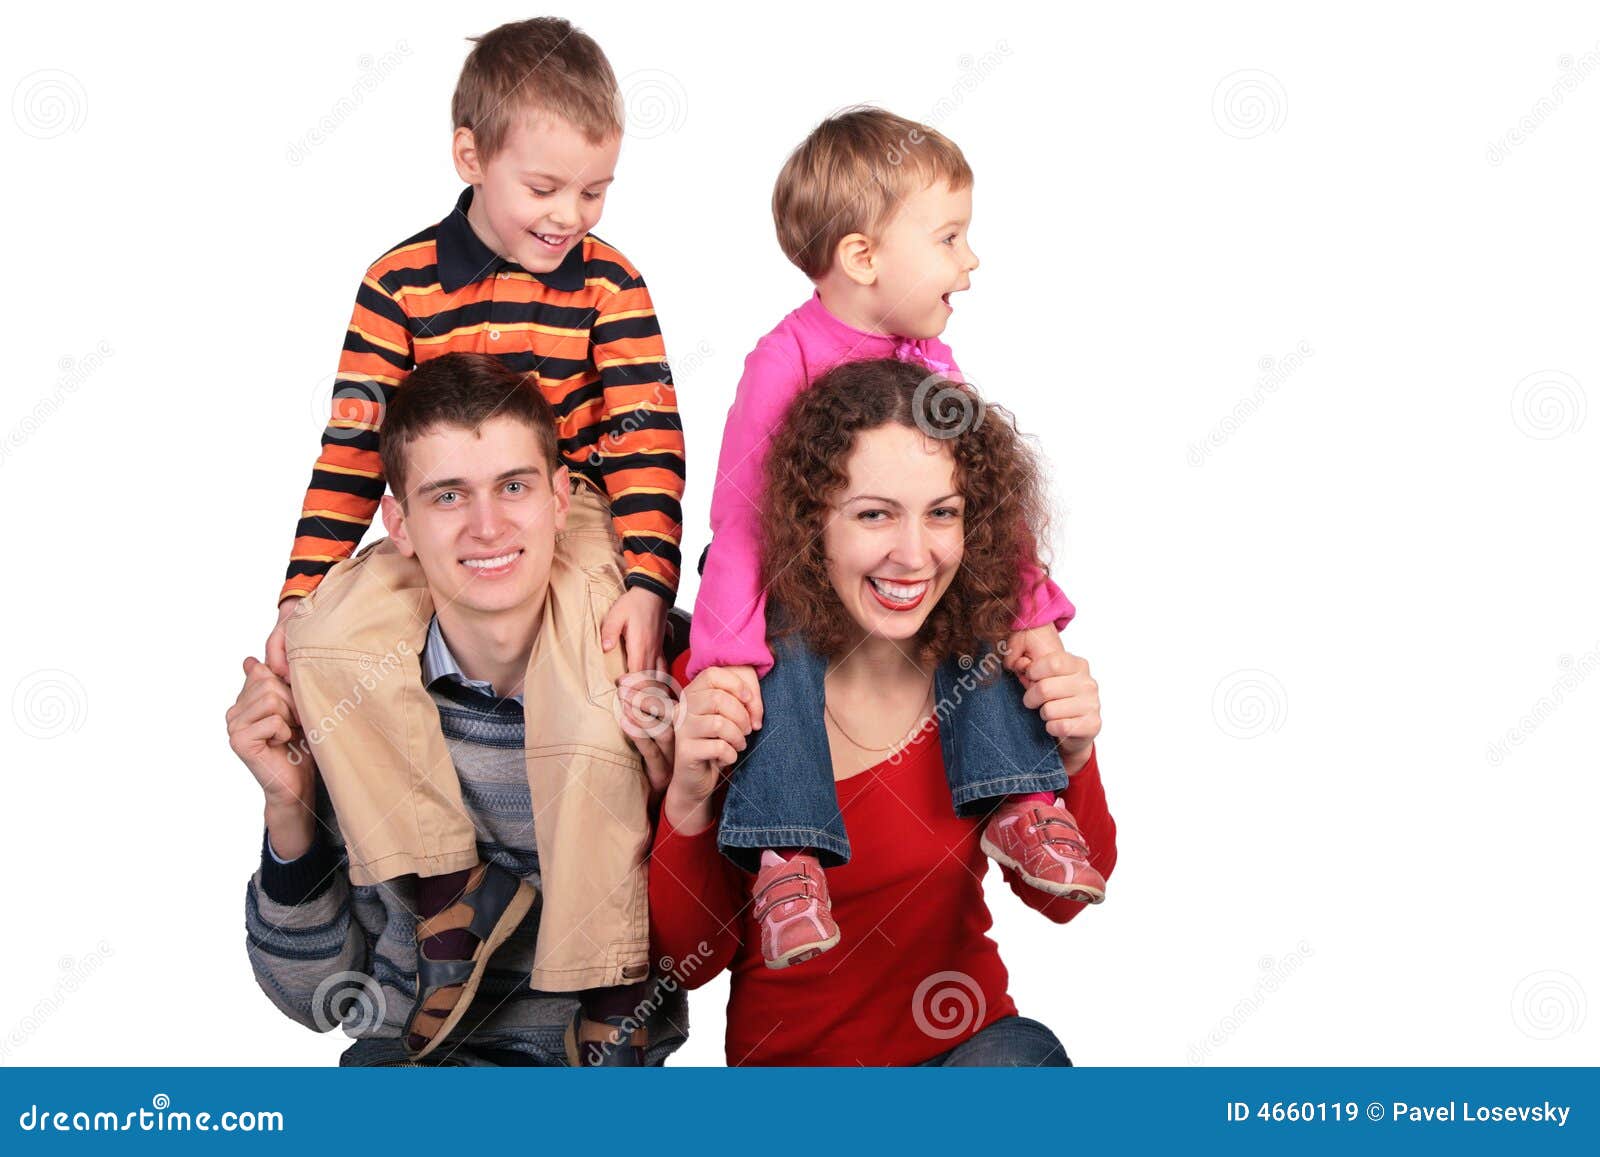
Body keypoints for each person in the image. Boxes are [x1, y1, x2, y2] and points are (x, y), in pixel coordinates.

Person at [261, 17, 687, 1054]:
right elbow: (353, 450)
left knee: (591, 686)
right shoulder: (399, 282)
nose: (569, 215)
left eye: (595, 191)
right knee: (324, 642)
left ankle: (608, 966)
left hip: (571, 514)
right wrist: (300, 593)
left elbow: (646, 442)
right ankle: (448, 883)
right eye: (545, 188)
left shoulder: (609, 283)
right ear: (469, 156)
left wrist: (644, 578)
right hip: (444, 512)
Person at [688, 108, 1102, 969]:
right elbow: (741, 518)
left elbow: (986, 509)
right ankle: (787, 853)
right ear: (863, 256)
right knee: (782, 649)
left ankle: (1022, 801)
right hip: (789, 577)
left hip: (892, 588)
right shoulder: (784, 359)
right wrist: (724, 654)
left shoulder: (930, 363)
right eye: (948, 238)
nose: (969, 261)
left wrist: (1030, 615)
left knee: (970, 607)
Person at [653, 358, 1118, 1065]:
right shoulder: (728, 686)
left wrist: (1076, 756)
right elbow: (688, 960)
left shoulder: (989, 673)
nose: (913, 555)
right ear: (812, 522)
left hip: (971, 1055)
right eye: (874, 514)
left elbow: (1063, 902)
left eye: (942, 513)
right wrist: (689, 794)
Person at [232, 353, 679, 1064]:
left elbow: (732, 948)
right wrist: (291, 814)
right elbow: (313, 995)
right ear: (399, 525)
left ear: (561, 500)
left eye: (514, 486)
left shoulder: (659, 669)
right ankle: (455, 894)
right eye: (447, 496)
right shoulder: (352, 693)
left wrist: (682, 808)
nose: (487, 526)